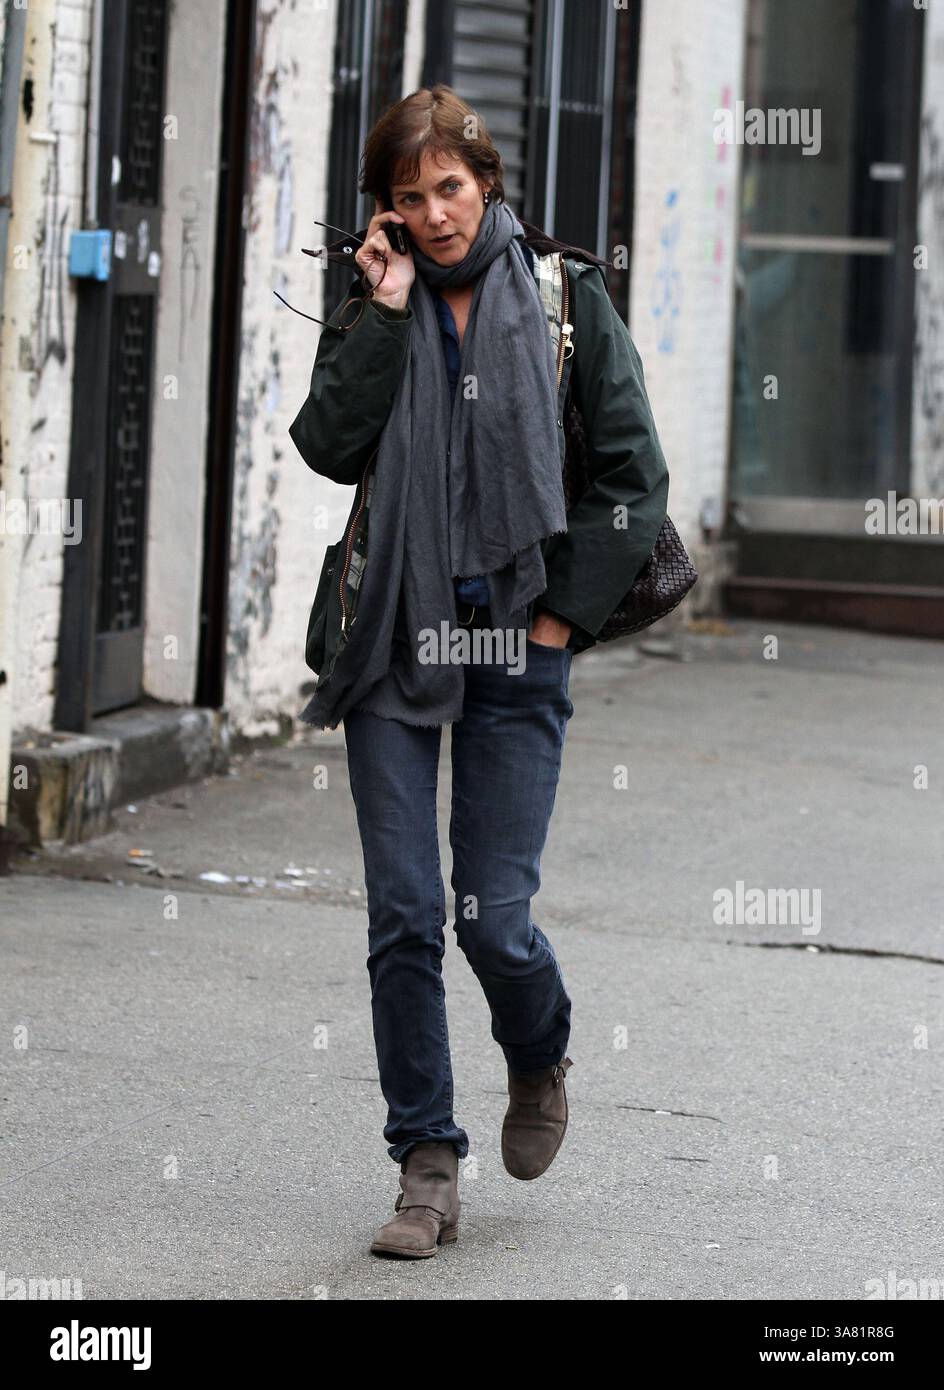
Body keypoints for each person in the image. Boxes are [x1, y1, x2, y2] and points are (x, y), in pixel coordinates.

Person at [289, 85, 670, 1259]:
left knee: (487, 918)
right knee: (405, 916)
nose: (434, 213)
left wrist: (556, 623)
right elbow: (327, 445)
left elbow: (629, 478)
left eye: (448, 187)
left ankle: (537, 1049)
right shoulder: (379, 299)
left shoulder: (565, 296)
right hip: (393, 636)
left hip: (516, 640)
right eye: (408, 197)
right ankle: (426, 1165)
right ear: (387, 212)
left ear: (486, 181)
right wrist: (383, 308)